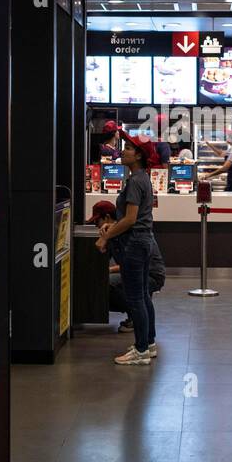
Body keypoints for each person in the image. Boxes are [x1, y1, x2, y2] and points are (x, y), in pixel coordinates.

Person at [95, 133, 159, 365]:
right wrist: (114, 226)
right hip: (143, 242)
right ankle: (149, 343)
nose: (123, 151)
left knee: (135, 298)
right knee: (142, 295)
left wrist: (106, 236)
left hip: (134, 244)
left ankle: (141, 350)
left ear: (139, 155)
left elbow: (131, 219)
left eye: (129, 148)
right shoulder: (143, 178)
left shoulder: (134, 181)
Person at [87, 200, 166, 334]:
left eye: (97, 222)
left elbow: (132, 263)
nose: (96, 226)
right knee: (104, 282)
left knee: (107, 284)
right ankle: (137, 313)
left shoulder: (123, 230)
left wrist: (109, 270)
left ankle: (137, 316)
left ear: (107, 217)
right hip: (142, 272)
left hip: (151, 275)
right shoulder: (113, 231)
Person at [201, 127, 232, 191]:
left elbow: (224, 168)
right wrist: (208, 144)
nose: (227, 137)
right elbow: (220, 153)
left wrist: (209, 175)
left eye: (229, 136)